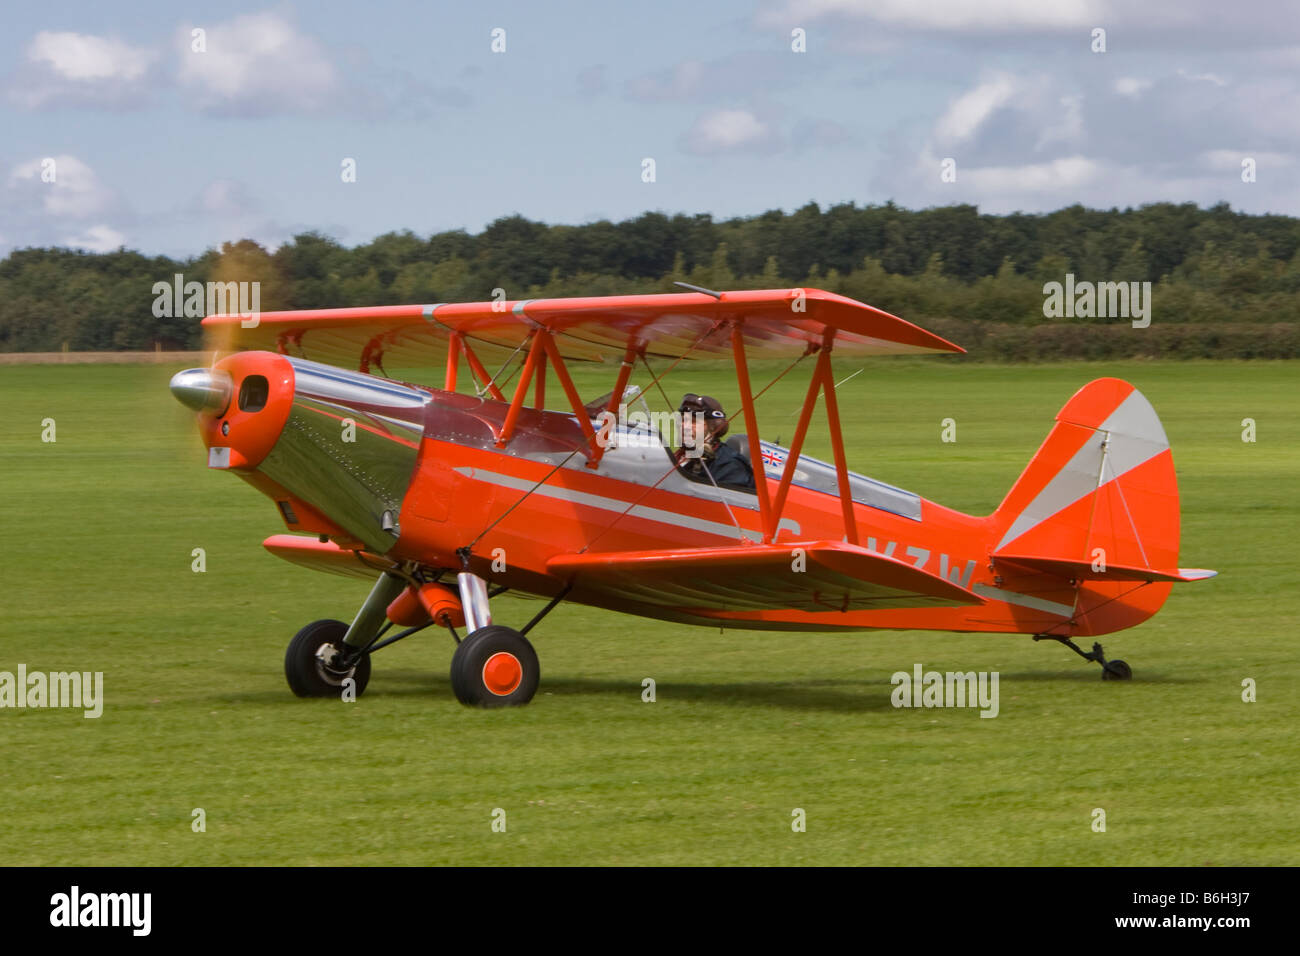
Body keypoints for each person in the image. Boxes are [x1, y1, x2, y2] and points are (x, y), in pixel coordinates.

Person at [674, 393, 756, 493]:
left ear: (713, 429)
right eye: (683, 420)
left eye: (693, 422)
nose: (684, 426)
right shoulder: (681, 456)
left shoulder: (729, 466)